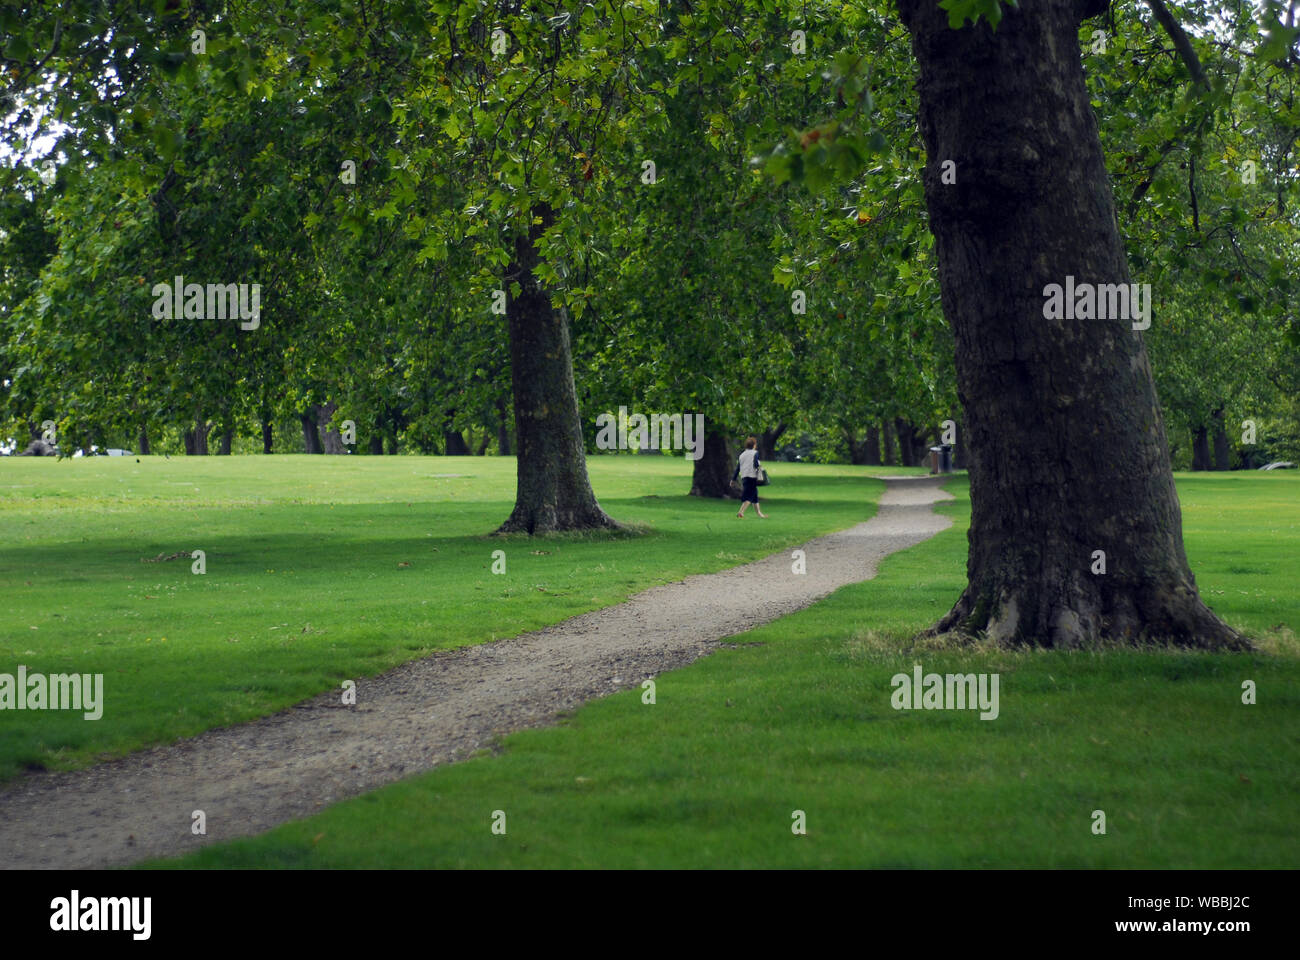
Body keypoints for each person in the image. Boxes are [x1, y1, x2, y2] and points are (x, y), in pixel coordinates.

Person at [732, 436, 768, 518]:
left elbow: (738, 468)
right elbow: (756, 464)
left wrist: (733, 479)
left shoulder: (742, 455)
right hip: (752, 477)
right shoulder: (755, 453)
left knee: (754, 496)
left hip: (744, 477)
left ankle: (759, 514)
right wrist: (759, 473)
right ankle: (741, 512)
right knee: (750, 496)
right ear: (754, 445)